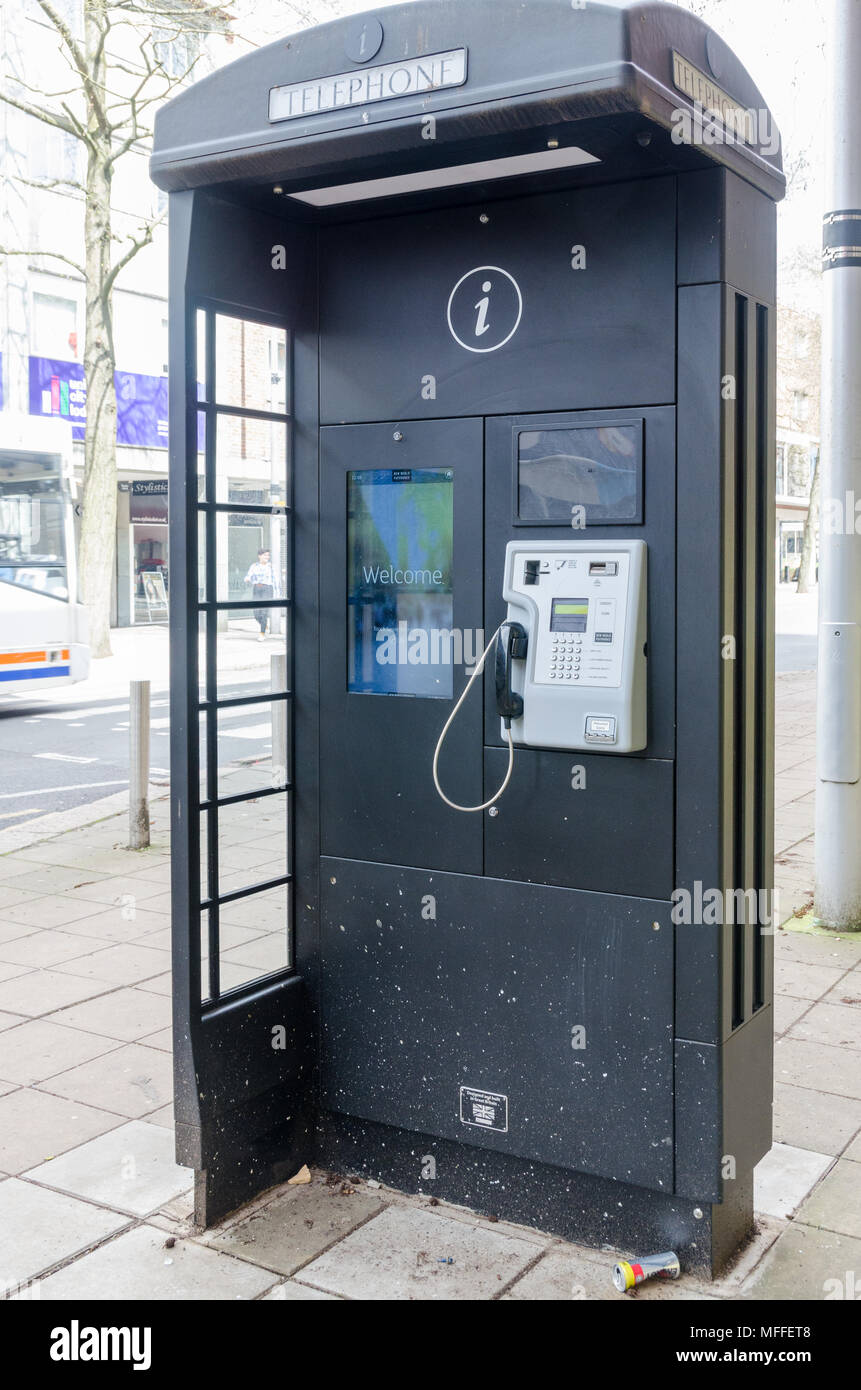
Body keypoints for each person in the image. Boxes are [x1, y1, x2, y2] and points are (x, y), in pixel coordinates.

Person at [244, 549, 278, 640]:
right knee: (256, 613)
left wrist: (277, 593)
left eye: (268, 555)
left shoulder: (271, 567)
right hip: (257, 588)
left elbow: (275, 580)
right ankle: (264, 624)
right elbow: (249, 575)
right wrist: (247, 579)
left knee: (263, 612)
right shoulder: (254, 566)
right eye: (265, 555)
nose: (267, 557)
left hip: (267, 589)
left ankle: (262, 633)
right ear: (259, 556)